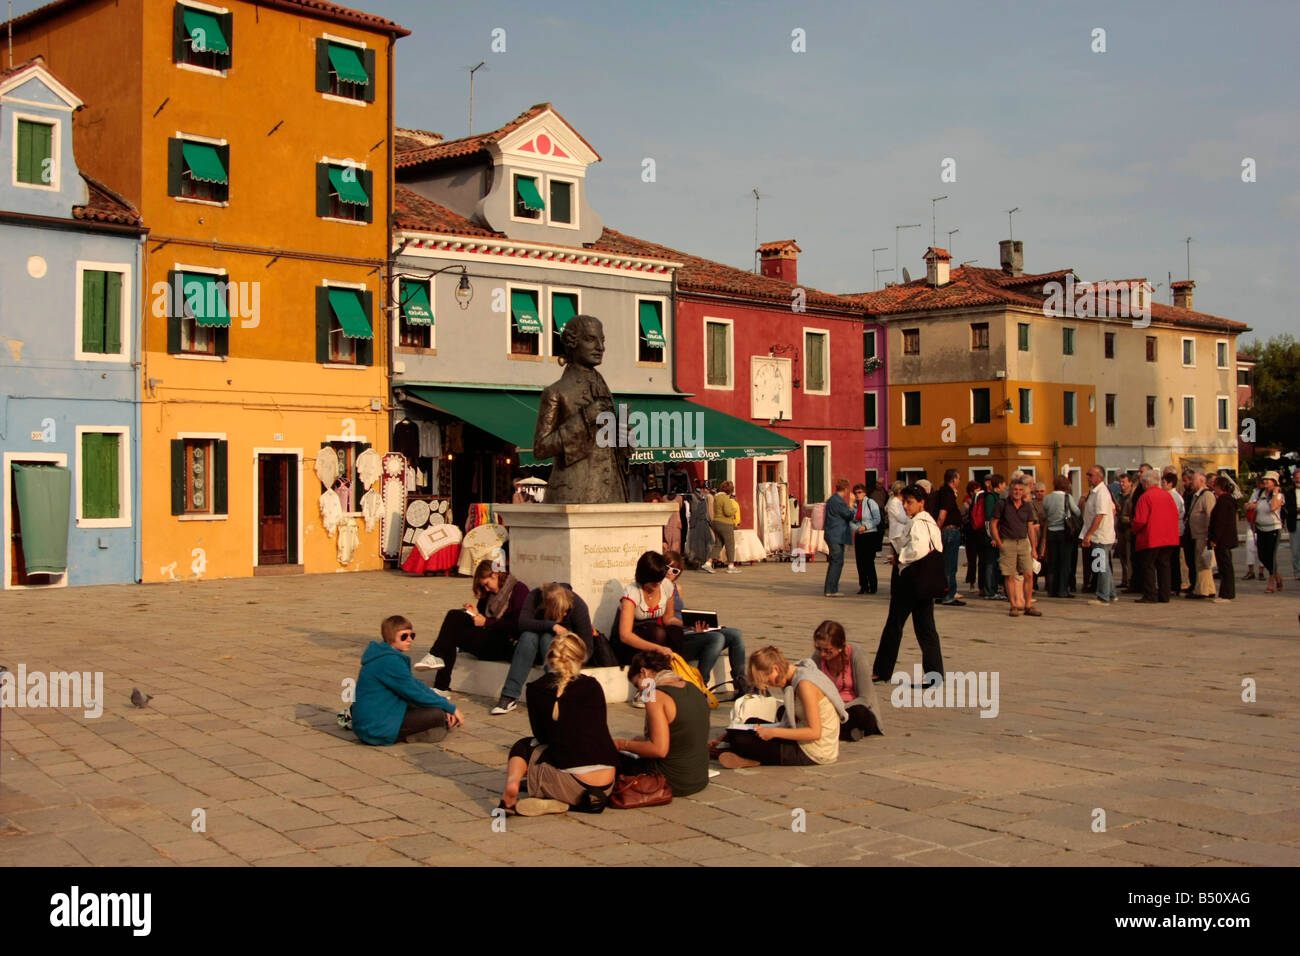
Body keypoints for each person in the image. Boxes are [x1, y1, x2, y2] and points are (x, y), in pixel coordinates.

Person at [499, 634, 618, 816]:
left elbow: (541, 736)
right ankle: (570, 802)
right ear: (580, 658)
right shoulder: (593, 686)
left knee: (523, 747)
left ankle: (514, 783)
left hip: (574, 783)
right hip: (607, 783)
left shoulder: (537, 688)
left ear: (550, 658)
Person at [715, 646, 843, 769]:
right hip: (804, 738)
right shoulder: (796, 673)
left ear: (775, 669)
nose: (769, 686)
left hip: (815, 751)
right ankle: (738, 751)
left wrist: (773, 732)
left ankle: (741, 754)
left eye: (768, 681)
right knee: (750, 722)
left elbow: (815, 732)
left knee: (739, 739)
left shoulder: (805, 685)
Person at [418, 561, 530, 692]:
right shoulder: (488, 593)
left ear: (495, 575)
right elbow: (483, 617)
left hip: (506, 643)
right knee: (454, 617)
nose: (487, 589)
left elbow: (518, 625)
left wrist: (487, 622)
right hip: (488, 636)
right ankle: (439, 678)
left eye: (487, 584)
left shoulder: (518, 590)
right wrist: (475, 614)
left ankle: (437, 668)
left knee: (452, 633)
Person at [872, 484, 945, 683]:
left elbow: (918, 549)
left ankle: (882, 670)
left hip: (910, 581)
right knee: (926, 629)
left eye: (910, 502)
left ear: (922, 502)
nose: (906, 506)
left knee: (894, 626)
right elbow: (937, 546)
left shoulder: (917, 523)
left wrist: (900, 557)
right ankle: (935, 674)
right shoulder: (930, 522)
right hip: (925, 583)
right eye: (904, 502)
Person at [614, 648, 711, 796]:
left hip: (672, 780)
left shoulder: (656, 695)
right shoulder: (693, 687)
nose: (640, 693)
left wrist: (623, 744)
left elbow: (659, 749)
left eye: (637, 686)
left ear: (644, 673)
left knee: (611, 757)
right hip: (699, 778)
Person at [353, 616, 463, 745]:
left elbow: (415, 685)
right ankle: (415, 735)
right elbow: (414, 691)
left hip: (373, 721)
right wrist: (450, 708)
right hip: (375, 728)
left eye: (412, 635)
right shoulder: (389, 661)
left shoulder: (386, 655)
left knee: (436, 710)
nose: (409, 640)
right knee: (438, 715)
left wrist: (443, 703)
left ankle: (425, 731)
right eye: (404, 636)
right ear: (390, 638)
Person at [491, 582, 594, 715]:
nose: (564, 615)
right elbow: (522, 623)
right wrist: (552, 626)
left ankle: (556, 692)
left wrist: (576, 660)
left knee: (547, 638)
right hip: (531, 650)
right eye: (561, 613)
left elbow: (587, 646)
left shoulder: (578, 605)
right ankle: (509, 695)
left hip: (561, 654)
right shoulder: (535, 596)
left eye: (566, 612)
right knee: (528, 636)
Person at [811, 620, 884, 741]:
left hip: (852, 708)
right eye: (819, 649)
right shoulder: (818, 657)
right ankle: (845, 733)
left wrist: (840, 709)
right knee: (787, 711)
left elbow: (866, 698)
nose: (823, 654)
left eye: (828, 650)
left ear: (840, 646)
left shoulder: (856, 655)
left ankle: (831, 731)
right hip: (828, 710)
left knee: (859, 713)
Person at [612, 550, 685, 664]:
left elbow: (668, 618)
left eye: (659, 580)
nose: (657, 584)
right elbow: (625, 635)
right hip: (630, 642)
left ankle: (674, 665)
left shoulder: (666, 586)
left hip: (654, 635)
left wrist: (688, 624)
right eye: (653, 581)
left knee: (675, 632)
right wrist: (657, 648)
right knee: (657, 632)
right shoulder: (632, 593)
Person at [991, 478, 1041, 617]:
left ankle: (1028, 605)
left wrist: (1034, 548)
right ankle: (1013, 605)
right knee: (1009, 575)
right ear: (1010, 491)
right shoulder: (1002, 504)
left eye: (1020, 490)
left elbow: (1031, 528)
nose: (1017, 492)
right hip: (1008, 542)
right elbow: (993, 523)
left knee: (1029, 574)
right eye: (1015, 490)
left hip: (1023, 542)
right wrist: (999, 541)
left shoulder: (1027, 506)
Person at [1131, 470, 1178, 602]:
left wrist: (1134, 529)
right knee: (1164, 566)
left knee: (1148, 566)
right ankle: (1164, 595)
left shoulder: (1145, 497)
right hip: (1169, 537)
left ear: (1146, 483)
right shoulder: (1168, 496)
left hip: (1151, 537)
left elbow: (1140, 520)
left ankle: (1150, 594)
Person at [1079, 466, 1117, 606]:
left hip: (1101, 536)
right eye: (1087, 474)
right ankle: (1111, 593)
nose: (1088, 477)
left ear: (1099, 477)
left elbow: (1100, 515)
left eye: (1090, 475)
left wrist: (1089, 534)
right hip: (1099, 535)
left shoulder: (1102, 492)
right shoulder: (1094, 492)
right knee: (1103, 564)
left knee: (1101, 566)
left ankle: (1103, 596)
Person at [931, 469, 966, 606]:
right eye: (958, 479)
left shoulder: (943, 492)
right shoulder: (948, 493)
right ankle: (949, 595)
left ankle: (943, 592)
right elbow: (943, 513)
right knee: (950, 565)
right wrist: (937, 530)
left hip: (947, 531)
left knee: (946, 564)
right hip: (950, 531)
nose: (959, 482)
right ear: (954, 479)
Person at [1043, 475, 1081, 598]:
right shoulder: (1067, 497)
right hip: (1064, 532)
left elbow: (1045, 515)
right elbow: (1077, 512)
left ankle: (1051, 589)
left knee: (1053, 562)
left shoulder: (1047, 498)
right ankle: (1062, 589)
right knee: (1065, 562)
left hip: (1051, 532)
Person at [1207, 475, 1239, 601]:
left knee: (1225, 567)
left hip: (1222, 539)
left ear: (1219, 487)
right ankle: (1226, 592)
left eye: (1215, 486)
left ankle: (1227, 593)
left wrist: (1214, 538)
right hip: (1226, 538)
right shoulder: (1228, 500)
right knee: (1226, 566)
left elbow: (1220, 522)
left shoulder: (1223, 501)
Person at [1185, 470, 1216, 599]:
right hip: (1196, 534)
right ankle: (1209, 588)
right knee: (1201, 562)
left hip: (1203, 534)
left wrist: (1210, 534)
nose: (1192, 482)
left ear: (1202, 481)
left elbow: (1210, 515)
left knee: (1202, 562)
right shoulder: (1197, 495)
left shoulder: (1207, 495)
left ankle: (1202, 590)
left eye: (1194, 480)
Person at [822, 478, 855, 597]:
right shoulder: (839, 502)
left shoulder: (831, 500)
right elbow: (848, 515)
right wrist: (851, 505)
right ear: (846, 489)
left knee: (834, 561)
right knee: (837, 561)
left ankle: (830, 588)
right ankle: (831, 589)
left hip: (831, 533)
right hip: (837, 534)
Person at [1255, 470, 1285, 593]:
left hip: (1273, 528)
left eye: (1269, 479)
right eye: (1265, 479)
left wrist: (1275, 493)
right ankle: (1277, 575)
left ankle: (1271, 583)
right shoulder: (1260, 493)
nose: (1266, 481)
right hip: (1260, 528)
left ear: (1275, 482)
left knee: (1271, 556)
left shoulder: (1279, 495)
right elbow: (1254, 506)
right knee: (1262, 555)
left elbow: (1273, 507)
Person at [702, 480, 741, 573]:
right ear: (730, 490)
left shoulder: (717, 497)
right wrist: (734, 510)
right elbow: (728, 512)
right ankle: (731, 566)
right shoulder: (725, 498)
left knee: (718, 544)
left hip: (716, 522)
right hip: (725, 523)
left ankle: (708, 563)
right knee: (730, 544)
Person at [851, 483, 883, 594]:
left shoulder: (871, 503)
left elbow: (877, 519)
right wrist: (857, 528)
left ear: (864, 493)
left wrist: (866, 526)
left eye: (859, 492)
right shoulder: (855, 505)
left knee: (869, 561)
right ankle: (863, 585)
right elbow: (851, 520)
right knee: (860, 562)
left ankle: (873, 585)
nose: (857, 495)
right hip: (859, 535)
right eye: (855, 493)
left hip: (870, 534)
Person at [979, 474, 1007, 600]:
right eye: (1004, 484)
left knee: (994, 563)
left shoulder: (997, 497)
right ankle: (990, 590)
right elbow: (988, 519)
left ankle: (993, 589)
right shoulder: (991, 498)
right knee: (990, 563)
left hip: (995, 536)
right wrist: (992, 538)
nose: (1005, 486)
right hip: (990, 537)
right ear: (999, 484)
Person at [1162, 471, 1187, 594]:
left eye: (1164, 483)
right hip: (1172, 531)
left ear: (1170, 483)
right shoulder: (1169, 495)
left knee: (1173, 559)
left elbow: (1173, 514)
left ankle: (1175, 585)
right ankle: (1172, 584)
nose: (1162, 485)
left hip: (1175, 531)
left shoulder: (1174, 497)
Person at [961, 480, 982, 594]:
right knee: (972, 560)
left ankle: (980, 583)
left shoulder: (981, 501)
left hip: (978, 532)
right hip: (970, 533)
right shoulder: (966, 503)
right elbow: (962, 516)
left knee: (980, 560)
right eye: (976, 490)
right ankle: (971, 583)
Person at [1116, 472, 1135, 590]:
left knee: (1129, 558)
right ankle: (1124, 579)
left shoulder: (1131, 497)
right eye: (1120, 482)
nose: (1121, 484)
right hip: (1120, 530)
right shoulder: (1118, 496)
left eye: (1124, 482)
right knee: (1122, 557)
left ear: (1130, 483)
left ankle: (1130, 580)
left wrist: (1125, 518)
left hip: (1128, 530)